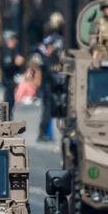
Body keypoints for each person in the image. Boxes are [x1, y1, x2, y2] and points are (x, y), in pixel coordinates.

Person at [37, 13, 66, 142]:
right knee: (50, 106)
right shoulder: (53, 42)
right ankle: (45, 132)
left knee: (52, 106)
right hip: (51, 78)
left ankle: (48, 132)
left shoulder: (53, 41)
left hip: (53, 78)